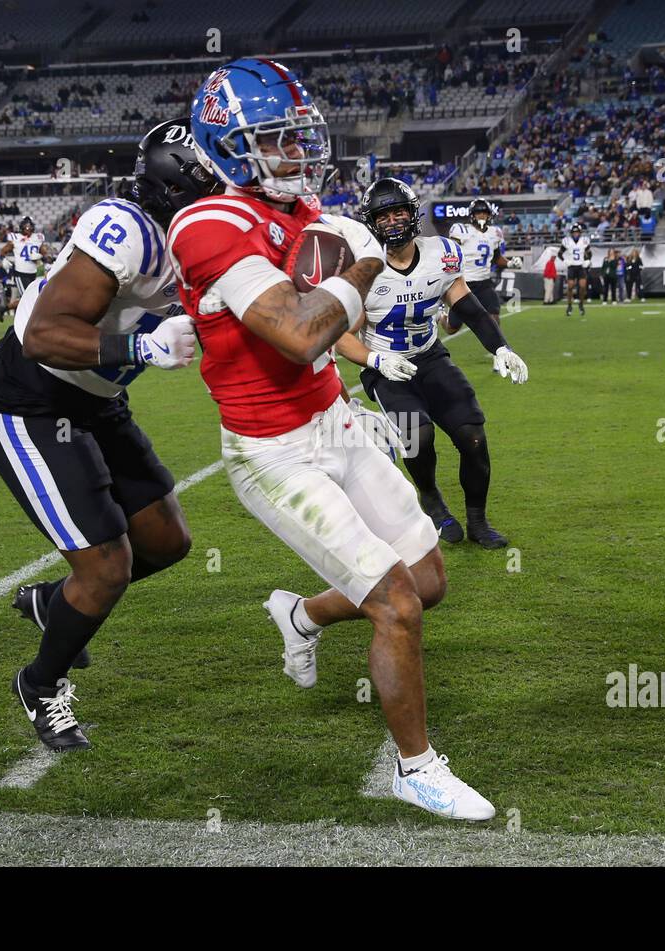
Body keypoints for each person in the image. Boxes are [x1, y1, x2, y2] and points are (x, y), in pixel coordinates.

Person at [170, 58, 494, 820]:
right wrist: (367, 261)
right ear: (228, 146)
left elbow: (323, 313)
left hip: (335, 420)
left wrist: (349, 272)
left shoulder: (297, 207)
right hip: (273, 450)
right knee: (395, 603)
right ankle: (416, 768)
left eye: (297, 137)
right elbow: (299, 333)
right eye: (275, 141)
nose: (296, 153)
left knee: (431, 583)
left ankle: (304, 614)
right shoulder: (209, 222)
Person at [0, 118, 215, 752]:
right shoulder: (129, 227)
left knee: (165, 542)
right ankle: (39, 683)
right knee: (107, 566)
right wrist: (138, 343)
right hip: (30, 396)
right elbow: (44, 335)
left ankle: (54, 603)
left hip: (99, 400)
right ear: (180, 183)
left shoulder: (204, 236)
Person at [334, 176, 528, 547]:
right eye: (383, 216)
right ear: (371, 223)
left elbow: (467, 305)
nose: (391, 222)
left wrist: (500, 347)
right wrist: (377, 360)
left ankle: (477, 521)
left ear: (413, 214)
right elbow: (342, 336)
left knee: (472, 435)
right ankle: (432, 500)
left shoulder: (441, 252)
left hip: (430, 356)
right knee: (418, 434)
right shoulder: (364, 269)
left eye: (398, 212)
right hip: (387, 369)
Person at [446, 199, 508, 326]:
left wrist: (511, 263)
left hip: (484, 283)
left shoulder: (494, 233)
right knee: (452, 327)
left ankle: (498, 346)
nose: (482, 215)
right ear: (472, 215)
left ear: (489, 215)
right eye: (479, 213)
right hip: (464, 283)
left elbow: (497, 258)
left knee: (494, 317)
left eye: (484, 213)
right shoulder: (461, 230)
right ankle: (442, 316)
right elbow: (450, 252)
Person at [557, 223, 590, 315]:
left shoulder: (584, 241)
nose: (575, 234)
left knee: (583, 286)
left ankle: (581, 304)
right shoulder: (567, 241)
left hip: (581, 266)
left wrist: (587, 260)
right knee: (570, 286)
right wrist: (565, 261)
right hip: (571, 266)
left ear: (580, 232)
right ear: (571, 233)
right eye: (574, 232)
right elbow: (559, 254)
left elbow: (589, 253)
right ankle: (569, 305)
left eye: (577, 232)